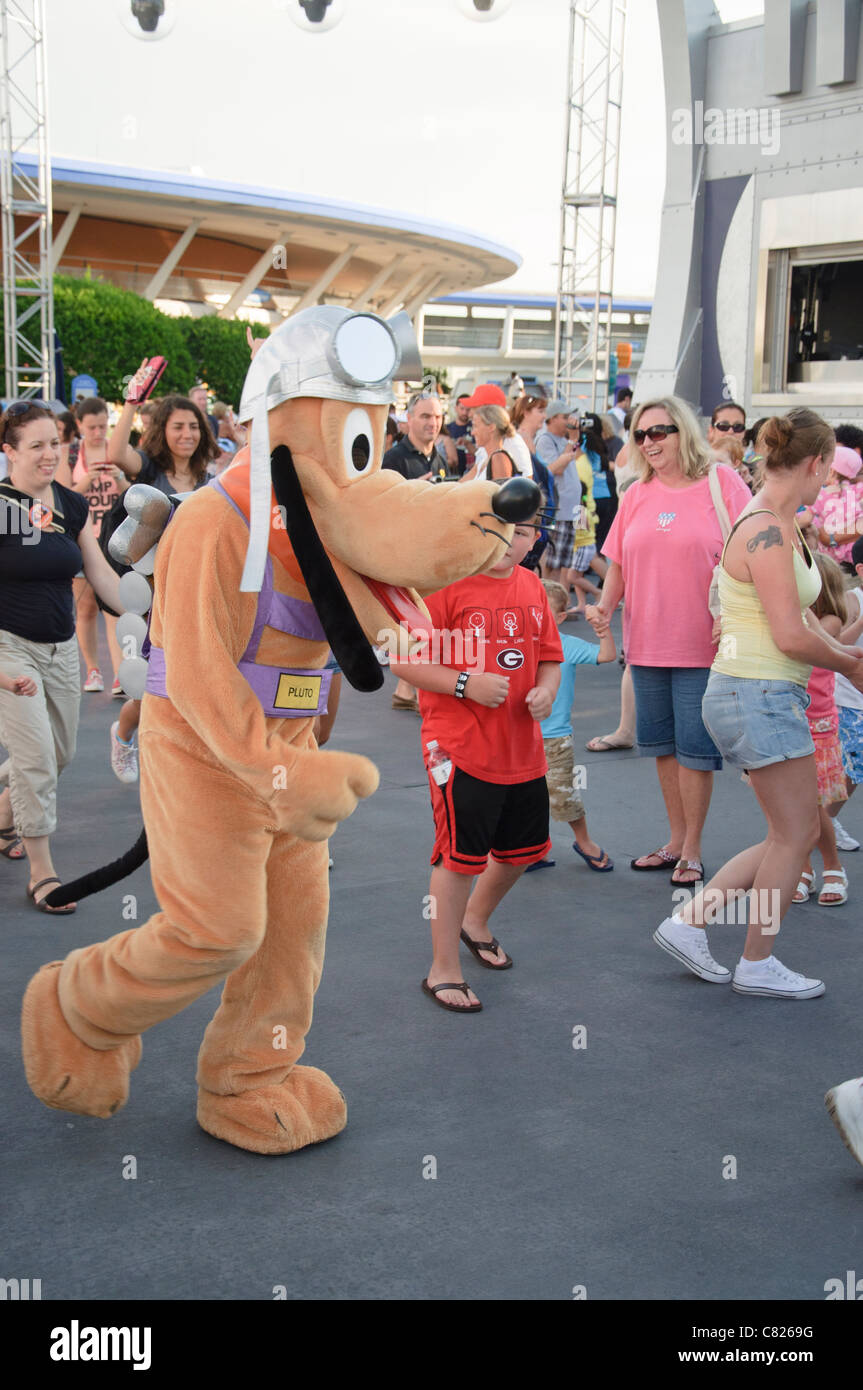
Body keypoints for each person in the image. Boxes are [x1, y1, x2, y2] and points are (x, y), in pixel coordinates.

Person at [653, 408, 863, 1000]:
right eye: (829, 471)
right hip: (757, 693)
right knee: (794, 836)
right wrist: (850, 664)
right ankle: (756, 962)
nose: (829, 482)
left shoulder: (777, 522)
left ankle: (689, 925)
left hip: (758, 692)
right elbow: (792, 635)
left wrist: (844, 657)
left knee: (785, 835)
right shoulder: (766, 528)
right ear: (816, 462)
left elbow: (797, 621)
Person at [390, 517, 563, 1013]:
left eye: (526, 530)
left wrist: (547, 691)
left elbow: (550, 656)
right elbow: (401, 661)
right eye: (502, 526)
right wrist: (466, 683)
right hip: (455, 748)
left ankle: (475, 920)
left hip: (521, 746)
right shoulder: (442, 585)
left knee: (522, 850)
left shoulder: (532, 585)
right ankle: (442, 969)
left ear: (536, 539)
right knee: (459, 857)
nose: (513, 538)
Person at [588, 395, 752, 886]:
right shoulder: (638, 492)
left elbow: (753, 547)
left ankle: (694, 850)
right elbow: (618, 561)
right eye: (641, 434)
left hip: (705, 644)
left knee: (695, 751)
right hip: (646, 643)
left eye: (659, 431)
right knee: (660, 747)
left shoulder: (721, 483)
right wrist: (604, 607)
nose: (649, 442)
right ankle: (675, 840)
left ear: (683, 431)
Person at [0, 401, 123, 910]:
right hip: (10, 649)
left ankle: (6, 812)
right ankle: (44, 874)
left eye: (57, 443)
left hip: (61, 649)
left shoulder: (71, 506)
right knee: (35, 762)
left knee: (59, 755)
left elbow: (97, 571)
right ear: (8, 452)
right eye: (37, 445)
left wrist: (154, 614)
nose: (51, 454)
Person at [529, 580, 615, 873]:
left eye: (545, 611)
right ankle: (534, 849)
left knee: (563, 793)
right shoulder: (515, 644)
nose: (537, 616)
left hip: (554, 738)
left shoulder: (566, 645)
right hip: (519, 737)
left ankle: (584, 841)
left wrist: (602, 630)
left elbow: (605, 656)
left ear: (561, 618)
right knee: (526, 797)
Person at [789, 552, 849, 905]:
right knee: (788, 810)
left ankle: (832, 867)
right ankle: (803, 870)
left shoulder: (828, 624)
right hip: (784, 716)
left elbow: (811, 643)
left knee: (812, 807)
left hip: (816, 725)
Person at [70, 397, 128, 697]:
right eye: (91, 427)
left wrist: (116, 476)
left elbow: (133, 492)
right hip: (83, 537)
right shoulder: (71, 454)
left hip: (113, 537)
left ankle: (119, 674)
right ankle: (93, 668)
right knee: (86, 608)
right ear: (79, 425)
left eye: (103, 426)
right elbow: (63, 495)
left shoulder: (115, 450)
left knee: (112, 609)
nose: (97, 433)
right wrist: (86, 482)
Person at [108, 377, 221, 498]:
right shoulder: (148, 467)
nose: (188, 435)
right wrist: (132, 401)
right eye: (178, 427)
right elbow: (117, 455)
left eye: (193, 427)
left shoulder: (209, 483)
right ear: (162, 431)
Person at [829, 532, 863, 851]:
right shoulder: (853, 600)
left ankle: (824, 821)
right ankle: (825, 821)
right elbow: (838, 646)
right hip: (851, 701)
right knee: (852, 768)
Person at [535, 400, 582, 586]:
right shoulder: (545, 440)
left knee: (562, 563)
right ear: (552, 418)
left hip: (570, 511)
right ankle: (547, 602)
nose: (569, 421)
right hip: (558, 510)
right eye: (564, 417)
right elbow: (556, 469)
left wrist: (572, 440)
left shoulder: (563, 440)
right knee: (551, 562)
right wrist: (572, 440)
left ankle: (556, 603)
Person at [810, 444, 863, 568]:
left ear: (832, 471)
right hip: (855, 557)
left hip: (832, 562)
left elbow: (806, 518)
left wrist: (830, 538)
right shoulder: (858, 490)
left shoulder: (820, 495)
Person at [381, 391, 441, 481]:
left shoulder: (440, 460)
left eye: (437, 417)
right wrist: (413, 491)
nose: (433, 423)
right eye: (425, 416)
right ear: (409, 419)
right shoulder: (392, 460)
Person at [459, 404, 519, 483]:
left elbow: (501, 493)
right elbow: (457, 486)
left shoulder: (499, 458)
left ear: (491, 427)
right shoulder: (483, 461)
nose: (472, 433)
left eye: (475, 426)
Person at [446, 393, 476, 476]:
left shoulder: (476, 428)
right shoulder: (447, 429)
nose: (465, 412)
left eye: (468, 409)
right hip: (452, 474)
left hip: (472, 473)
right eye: (462, 408)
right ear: (456, 408)